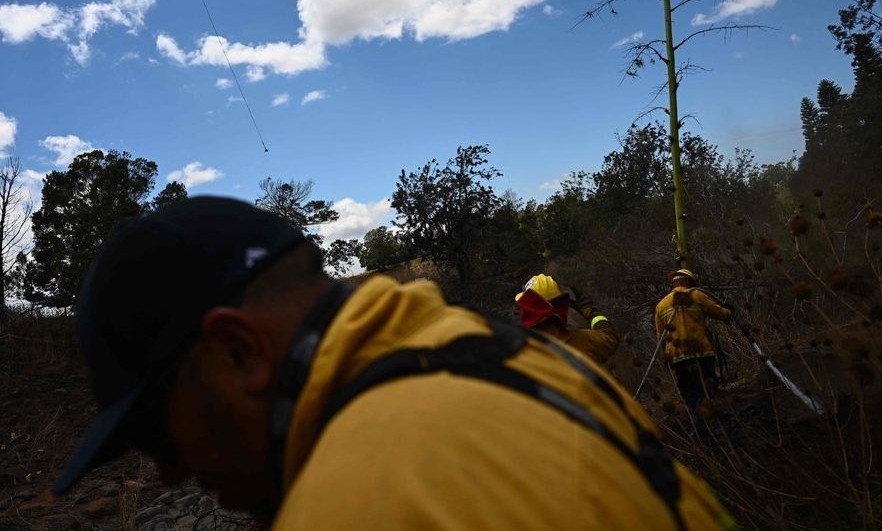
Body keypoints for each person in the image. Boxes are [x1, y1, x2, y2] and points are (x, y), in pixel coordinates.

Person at [54, 197, 735, 529]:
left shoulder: (354, 505)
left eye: (156, 432)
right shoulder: (485, 350)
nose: (168, 472)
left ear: (238, 351)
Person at [654, 269, 732, 416]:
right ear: (689, 282)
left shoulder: (661, 305)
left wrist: (665, 356)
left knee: (688, 388)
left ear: (674, 284)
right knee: (707, 383)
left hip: (677, 356)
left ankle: (699, 415)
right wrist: (729, 312)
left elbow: (661, 335)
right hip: (702, 351)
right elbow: (718, 312)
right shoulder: (696, 295)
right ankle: (710, 414)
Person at [515, 274, 619, 363]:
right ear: (561, 305)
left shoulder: (521, 354)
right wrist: (590, 312)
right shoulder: (579, 341)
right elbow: (610, 339)